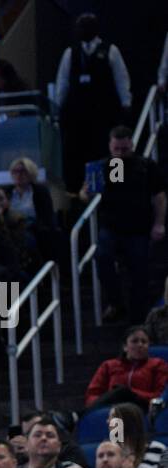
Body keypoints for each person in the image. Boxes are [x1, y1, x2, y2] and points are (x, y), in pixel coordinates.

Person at [83, 127, 167, 325]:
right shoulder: (107, 166)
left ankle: (137, 320)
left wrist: (159, 223)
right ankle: (116, 302)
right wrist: (86, 192)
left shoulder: (146, 166)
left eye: (124, 149)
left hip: (138, 227)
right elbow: (87, 194)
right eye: (116, 149)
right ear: (110, 147)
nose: (120, 153)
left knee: (139, 270)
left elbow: (159, 196)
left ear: (132, 145)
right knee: (102, 256)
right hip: (112, 225)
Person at [56, 13, 132, 192]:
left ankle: (116, 186)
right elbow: (62, 83)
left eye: (85, 27)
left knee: (111, 151)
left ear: (95, 29)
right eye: (79, 27)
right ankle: (80, 192)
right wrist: (58, 107)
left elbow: (122, 79)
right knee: (78, 154)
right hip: (78, 116)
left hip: (105, 114)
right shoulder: (70, 53)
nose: (81, 31)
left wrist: (126, 103)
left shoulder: (110, 50)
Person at [85, 326, 168, 411]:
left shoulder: (158, 364)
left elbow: (159, 395)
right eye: (134, 341)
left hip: (142, 405)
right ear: (125, 347)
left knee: (122, 391)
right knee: (119, 392)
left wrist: (131, 393)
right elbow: (93, 393)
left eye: (144, 342)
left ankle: (79, 415)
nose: (140, 345)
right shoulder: (108, 365)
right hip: (111, 407)